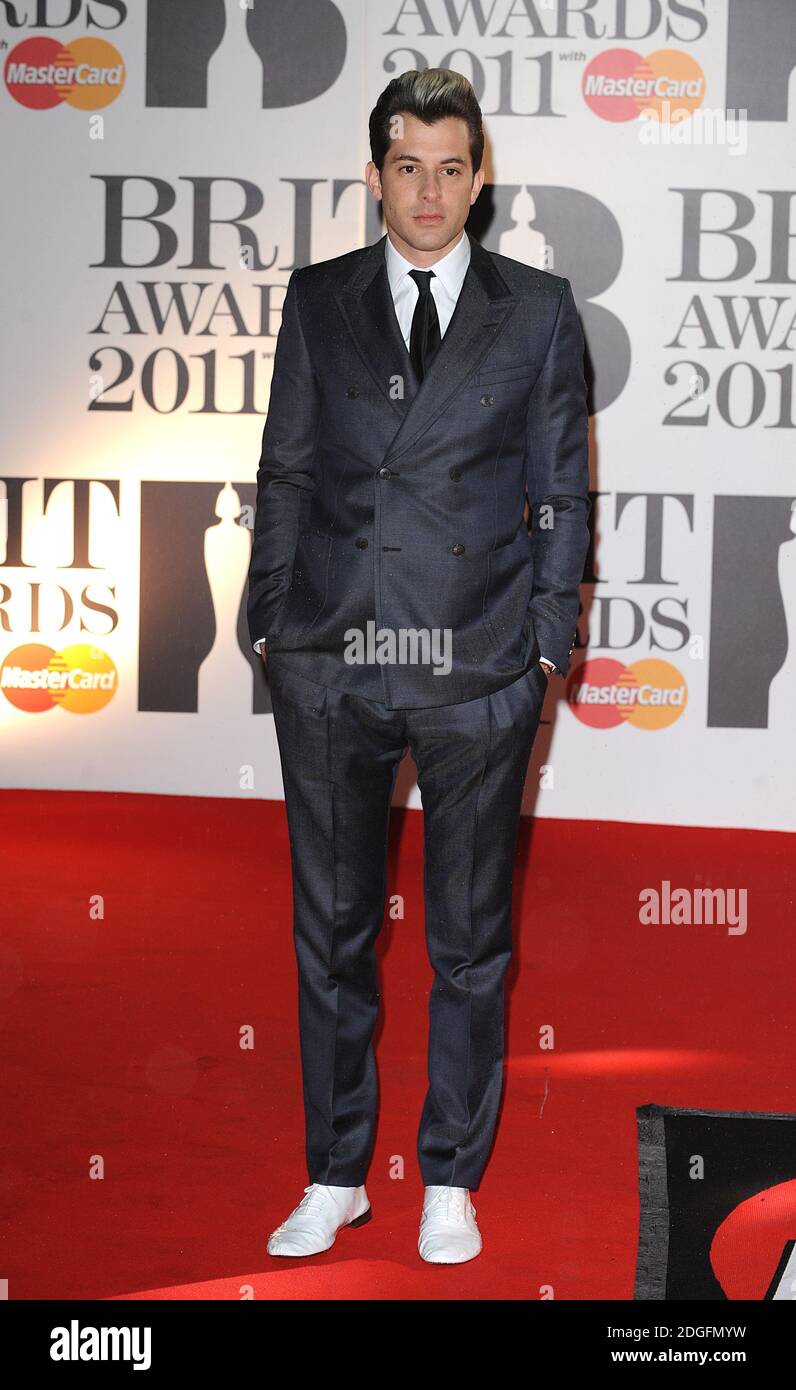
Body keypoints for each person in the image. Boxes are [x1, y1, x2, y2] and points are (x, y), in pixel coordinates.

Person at [247, 68, 591, 1264]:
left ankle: (450, 1174)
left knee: (467, 939)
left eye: (452, 166)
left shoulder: (537, 309)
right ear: (374, 174)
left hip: (477, 662)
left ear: (479, 177)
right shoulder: (319, 298)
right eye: (407, 166)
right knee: (331, 933)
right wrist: (269, 624)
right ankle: (336, 1170)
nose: (430, 189)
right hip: (334, 662)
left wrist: (546, 644)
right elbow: (287, 467)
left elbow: (561, 490)